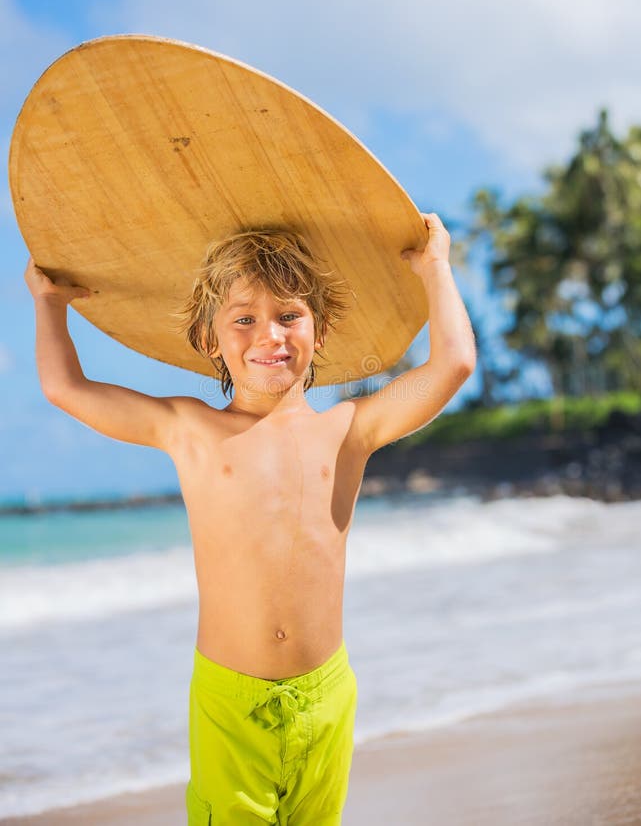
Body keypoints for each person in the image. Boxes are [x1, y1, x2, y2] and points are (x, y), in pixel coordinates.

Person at [24, 212, 476, 825]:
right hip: (231, 703)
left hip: (327, 694)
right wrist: (48, 304)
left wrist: (435, 268)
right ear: (211, 340)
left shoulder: (349, 429)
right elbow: (65, 388)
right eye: (244, 319)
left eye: (290, 316)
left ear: (320, 330)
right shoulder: (189, 429)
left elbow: (453, 364)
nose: (270, 336)